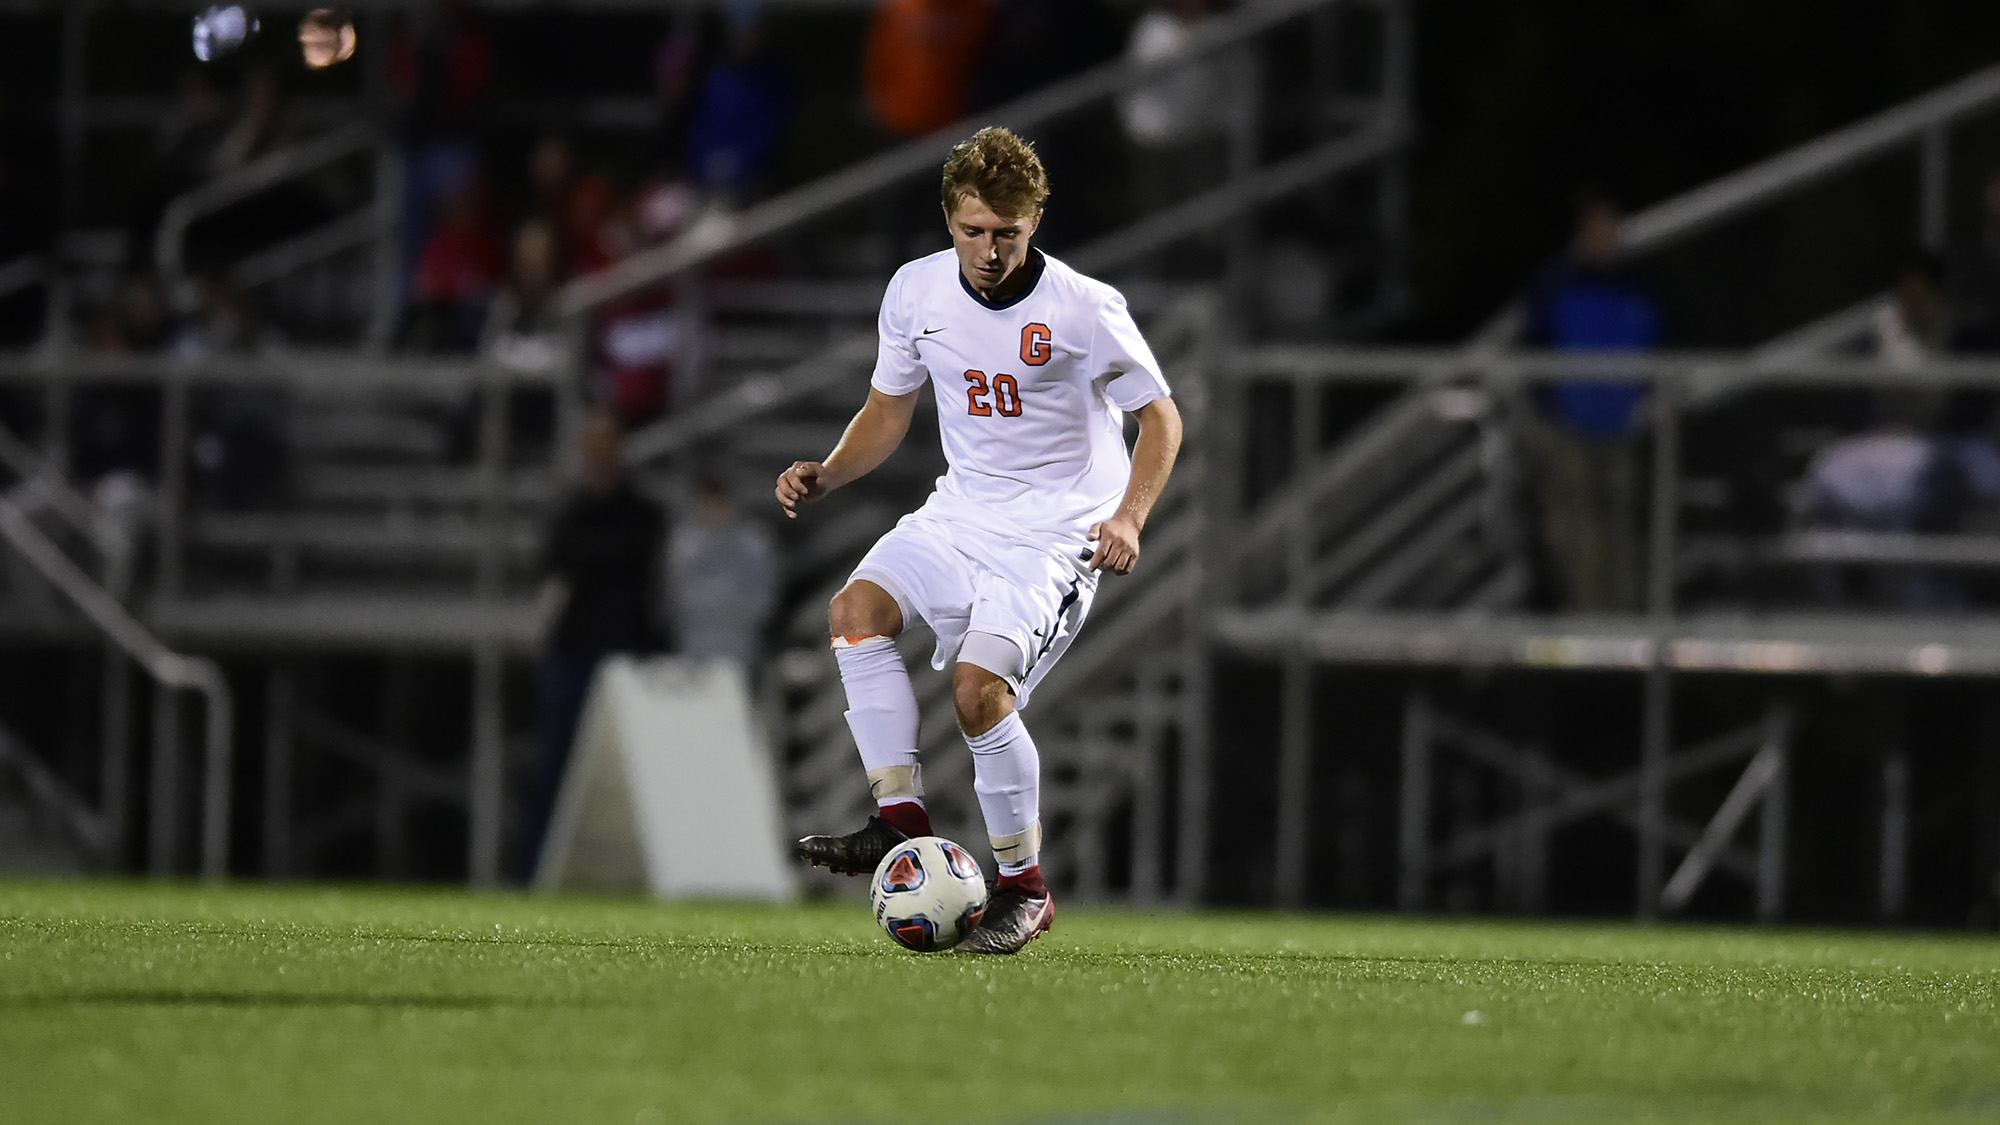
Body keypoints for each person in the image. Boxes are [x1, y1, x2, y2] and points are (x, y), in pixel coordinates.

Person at [775, 127, 1183, 953]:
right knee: (855, 610)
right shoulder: (916, 291)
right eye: (972, 230)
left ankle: (1025, 889)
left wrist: (1129, 516)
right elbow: (889, 409)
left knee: (976, 692)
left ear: (1035, 222)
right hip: (961, 512)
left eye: (1006, 232)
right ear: (948, 220)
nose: (988, 250)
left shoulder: (1083, 307)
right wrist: (829, 471)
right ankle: (898, 821)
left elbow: (1162, 418)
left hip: (1054, 535)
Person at [521, 411, 666, 878]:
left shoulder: (638, 512)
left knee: (641, 768)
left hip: (629, 654)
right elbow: (556, 564)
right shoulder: (574, 510)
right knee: (556, 766)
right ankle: (533, 871)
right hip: (577, 651)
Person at [1521, 192, 1661, 612]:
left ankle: (1622, 617)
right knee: (1576, 529)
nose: (1608, 238)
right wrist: (1550, 410)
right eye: (1599, 230)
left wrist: (1644, 402)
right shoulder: (1556, 284)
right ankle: (1587, 614)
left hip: (1620, 425)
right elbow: (1534, 350)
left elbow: (1656, 348)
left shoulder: (1636, 286)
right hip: (1568, 426)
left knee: (1619, 523)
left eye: (1613, 230)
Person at [668, 477, 778, 670]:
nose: (713, 509)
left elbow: (763, 601)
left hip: (741, 643)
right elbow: (678, 599)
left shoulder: (754, 543)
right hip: (694, 643)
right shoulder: (683, 544)